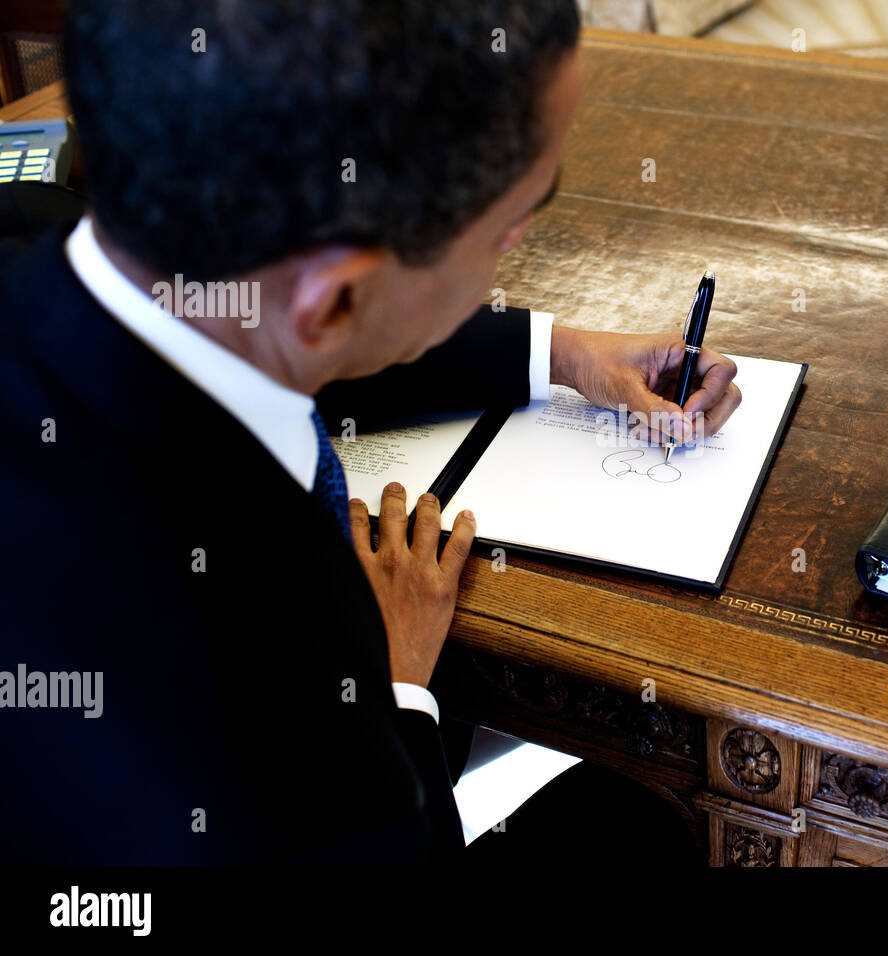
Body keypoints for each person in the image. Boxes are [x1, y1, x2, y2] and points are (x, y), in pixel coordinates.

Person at [0, 0, 739, 864]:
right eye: (522, 217)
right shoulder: (267, 785)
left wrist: (560, 354)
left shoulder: (35, 223)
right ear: (338, 300)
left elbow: (274, 308)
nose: (518, 239)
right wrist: (387, 689)